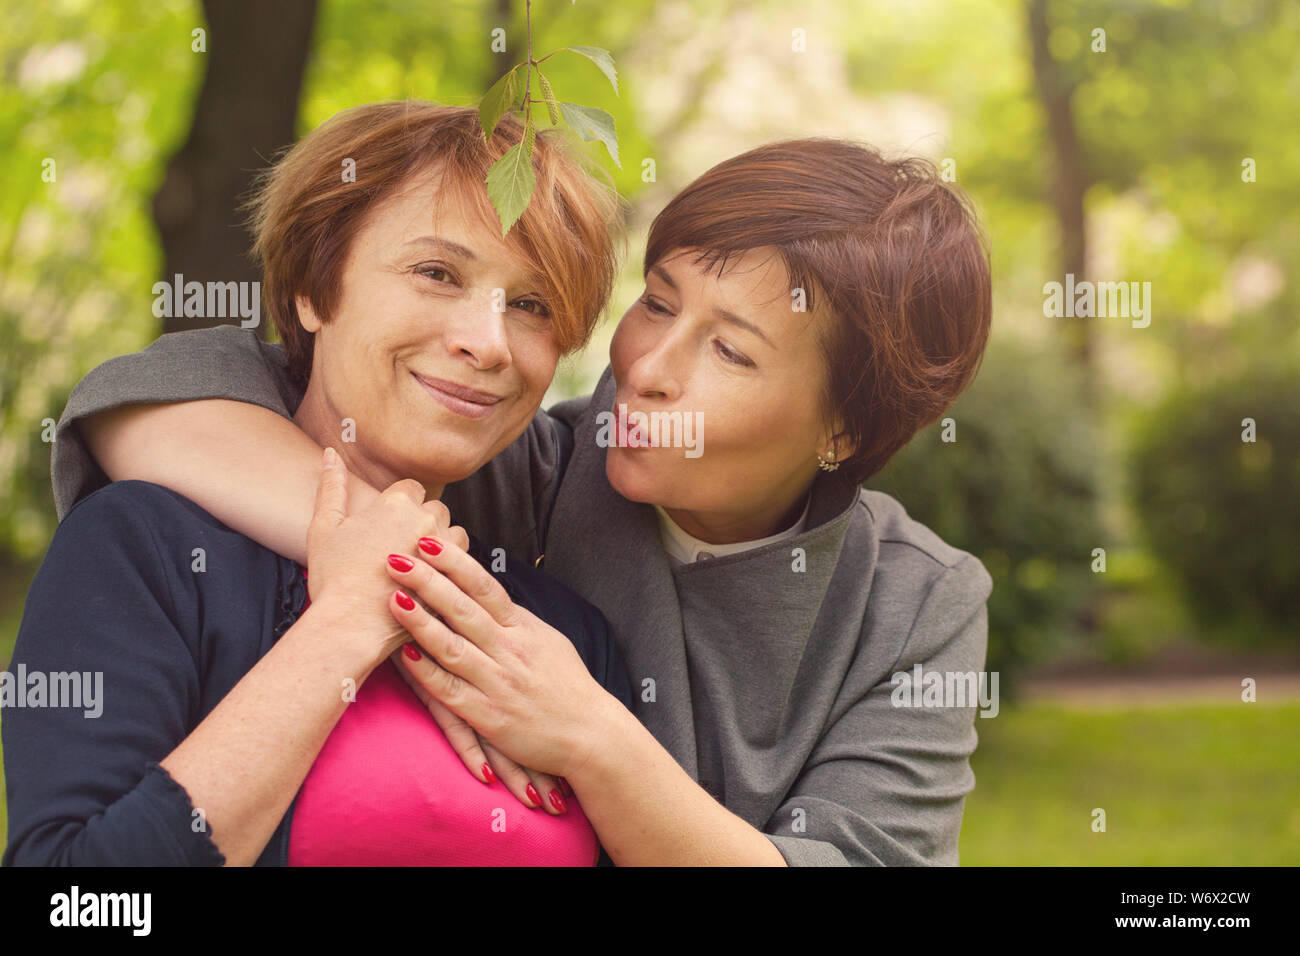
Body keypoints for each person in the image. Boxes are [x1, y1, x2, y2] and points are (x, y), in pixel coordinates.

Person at [45, 137, 995, 865]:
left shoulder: (914, 605)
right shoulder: (532, 468)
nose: (646, 372)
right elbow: (146, 406)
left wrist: (589, 735)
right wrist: (390, 563)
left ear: (847, 434)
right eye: (658, 304)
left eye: (731, 350)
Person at [1, 100, 633, 866]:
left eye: (530, 305)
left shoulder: (561, 635)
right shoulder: (143, 550)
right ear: (312, 288)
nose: (488, 342)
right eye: (436, 273)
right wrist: (348, 624)